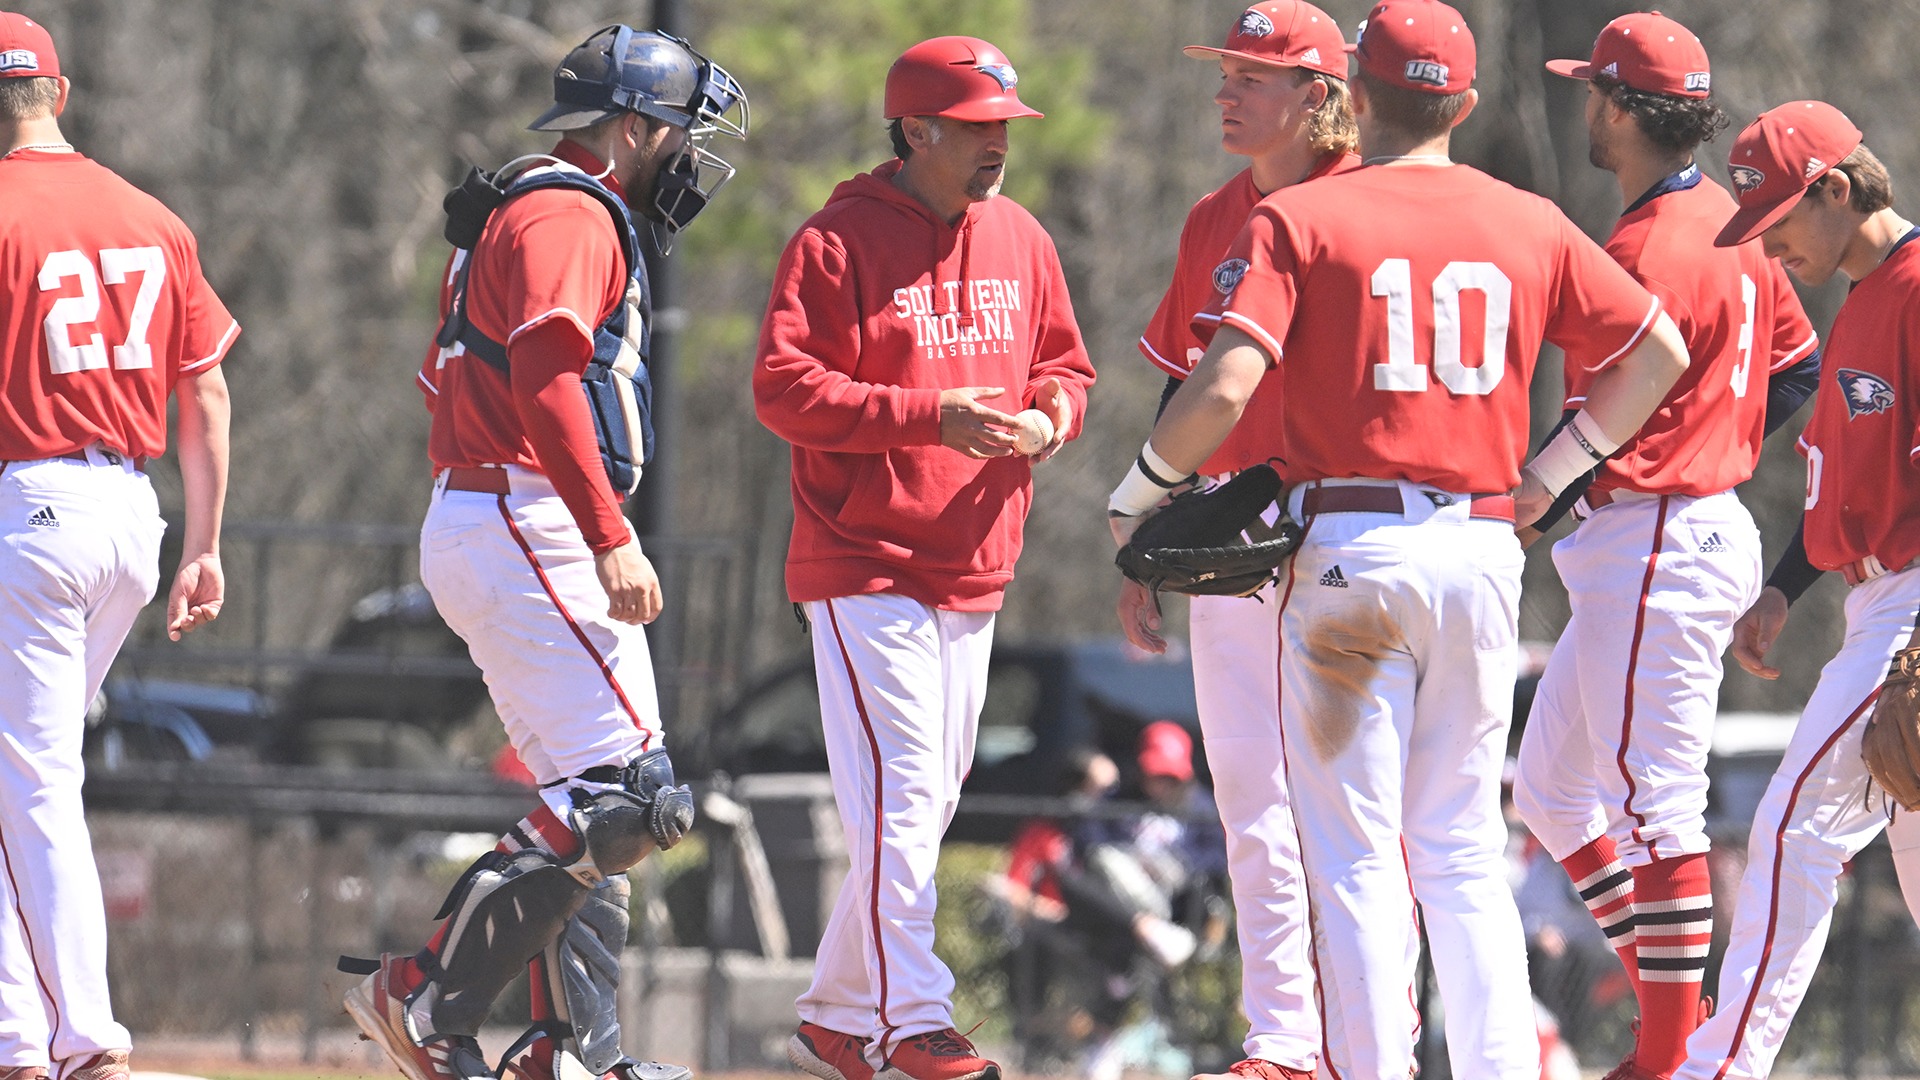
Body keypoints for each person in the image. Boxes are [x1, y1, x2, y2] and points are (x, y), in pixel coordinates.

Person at [1105, 1, 1691, 1075]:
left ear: (1356, 97)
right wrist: (1555, 474)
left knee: (1359, 856)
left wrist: (1139, 492)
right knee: (1464, 849)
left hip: (1355, 558)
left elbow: (1227, 382)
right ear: (1463, 103)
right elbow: (1658, 351)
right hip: (1479, 550)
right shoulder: (1527, 216)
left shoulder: (1304, 219)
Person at [341, 24, 747, 1080]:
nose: (687, 155)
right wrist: (609, 534)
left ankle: (569, 1055)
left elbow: (452, 383)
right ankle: (423, 997)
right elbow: (548, 378)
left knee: (595, 799)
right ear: (628, 128)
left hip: (496, 509)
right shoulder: (569, 209)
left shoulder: (528, 207)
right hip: (525, 510)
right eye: (675, 132)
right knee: (626, 798)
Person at [754, 34, 1096, 1080]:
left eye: (1005, 126)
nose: (997, 146)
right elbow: (782, 388)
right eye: (975, 127)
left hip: (975, 562)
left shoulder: (1023, 237)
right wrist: (923, 417)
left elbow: (1065, 367)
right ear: (916, 130)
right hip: (866, 562)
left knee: (926, 803)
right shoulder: (838, 239)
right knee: (904, 794)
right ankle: (915, 1021)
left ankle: (836, 1011)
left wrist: (1052, 416)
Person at [1512, 15, 1820, 1079]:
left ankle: (1664, 1058)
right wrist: (1718, 437)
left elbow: (1620, 402)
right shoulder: (1734, 221)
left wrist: (1553, 485)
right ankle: (1673, 1019)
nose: (1585, 107)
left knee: (1652, 808)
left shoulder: (1641, 246)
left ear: (1626, 110)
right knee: (1549, 795)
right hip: (1686, 523)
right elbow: (1798, 368)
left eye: (1595, 92)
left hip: (1659, 534)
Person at [1117, 6, 1358, 1076]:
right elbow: (1185, 379)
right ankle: (1284, 1042)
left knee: (1355, 805)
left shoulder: (1371, 202)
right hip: (1228, 524)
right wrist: (1147, 537)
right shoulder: (1215, 215)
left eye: (1254, 76)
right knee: (1252, 795)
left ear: (1319, 95)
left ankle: (1371, 1036)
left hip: (1349, 522)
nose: (1227, 92)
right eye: (1226, 72)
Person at [0, 12, 236, 1080]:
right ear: (62, 93)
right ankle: (15, 1035)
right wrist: (206, 542)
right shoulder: (154, 217)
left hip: (32, 510)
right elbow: (209, 390)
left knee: (36, 784)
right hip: (130, 520)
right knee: (21, 782)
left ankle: (84, 1039)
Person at [1675, 101, 1920, 1080]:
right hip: (1873, 595)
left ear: (1834, 188)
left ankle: (1717, 1068)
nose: (1771, 247)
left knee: (1789, 832)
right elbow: (1846, 490)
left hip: (1911, 608)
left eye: (1779, 221)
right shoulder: (1860, 303)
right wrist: (1782, 589)